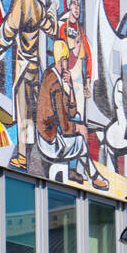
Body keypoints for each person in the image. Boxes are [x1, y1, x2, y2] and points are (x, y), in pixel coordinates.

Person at [0, 0, 57, 171]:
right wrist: (53, 6)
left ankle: (22, 156)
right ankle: (31, 154)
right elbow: (51, 27)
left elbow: (9, 28)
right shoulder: (37, 1)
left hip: (23, 65)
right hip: (34, 66)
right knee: (32, 112)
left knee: (24, 112)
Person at [37, 40, 109, 191]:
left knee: (77, 119)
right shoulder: (54, 83)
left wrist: (70, 87)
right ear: (61, 60)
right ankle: (93, 177)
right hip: (50, 142)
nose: (68, 63)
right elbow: (64, 123)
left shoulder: (52, 75)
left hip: (48, 134)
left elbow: (71, 110)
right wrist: (78, 128)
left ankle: (85, 172)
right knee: (81, 140)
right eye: (66, 60)